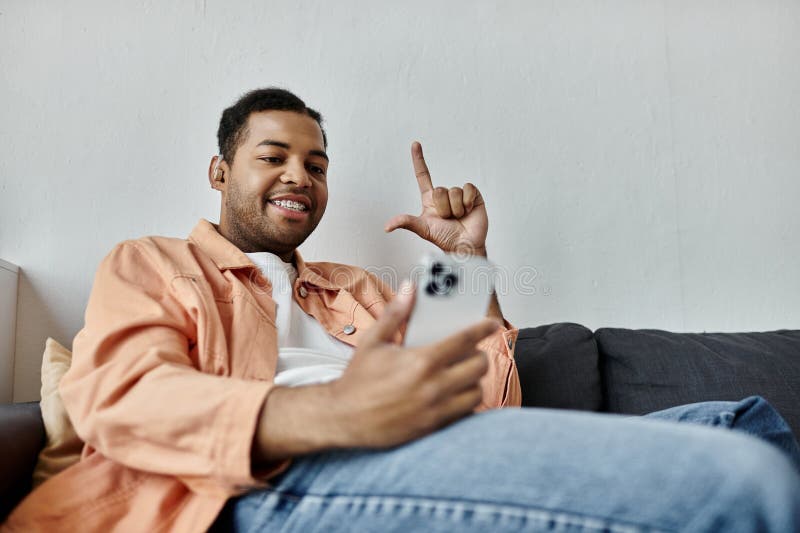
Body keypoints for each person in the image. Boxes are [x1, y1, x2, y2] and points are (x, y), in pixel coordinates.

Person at [4, 88, 799, 533]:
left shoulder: (354, 289)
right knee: (744, 481)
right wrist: (334, 413)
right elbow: (117, 398)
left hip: (405, 458)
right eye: (272, 156)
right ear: (219, 169)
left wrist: (461, 265)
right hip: (242, 489)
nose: (299, 175)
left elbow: (483, 400)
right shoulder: (153, 263)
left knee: (748, 424)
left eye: (316, 163)